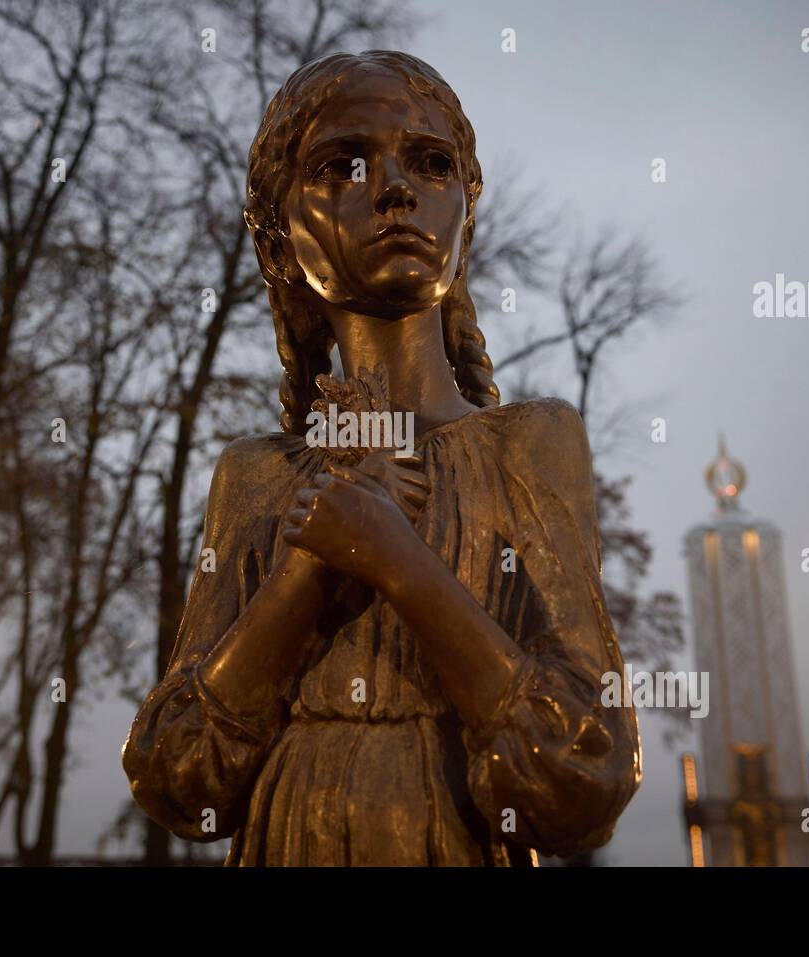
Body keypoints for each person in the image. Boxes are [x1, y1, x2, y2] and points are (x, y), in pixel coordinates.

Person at [123, 50, 641, 866]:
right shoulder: (254, 475)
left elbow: (586, 768)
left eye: (431, 163)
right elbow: (178, 776)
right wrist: (304, 572)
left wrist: (398, 562)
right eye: (343, 165)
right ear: (280, 239)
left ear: (465, 217)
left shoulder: (530, 444)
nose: (395, 188)